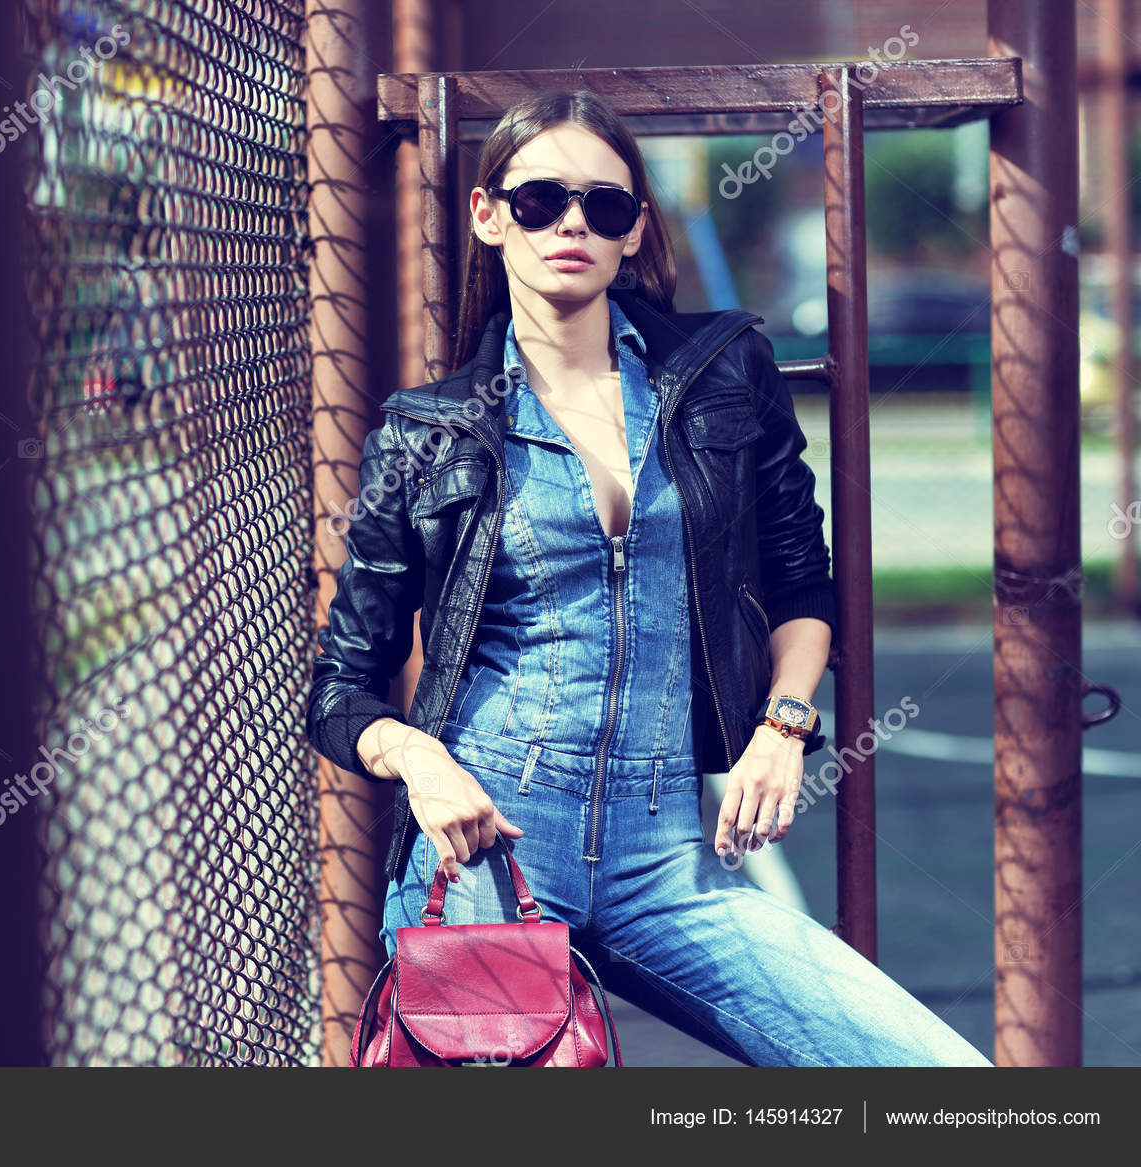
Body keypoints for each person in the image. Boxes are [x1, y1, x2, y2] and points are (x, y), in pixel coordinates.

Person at [305, 89, 991, 1067]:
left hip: (666, 854)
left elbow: (801, 582)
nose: (572, 224)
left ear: (632, 231)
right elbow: (340, 686)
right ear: (489, 216)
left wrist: (782, 726)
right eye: (540, 200)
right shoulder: (428, 432)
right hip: (488, 851)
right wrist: (420, 760)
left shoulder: (721, 372)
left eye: (605, 205)